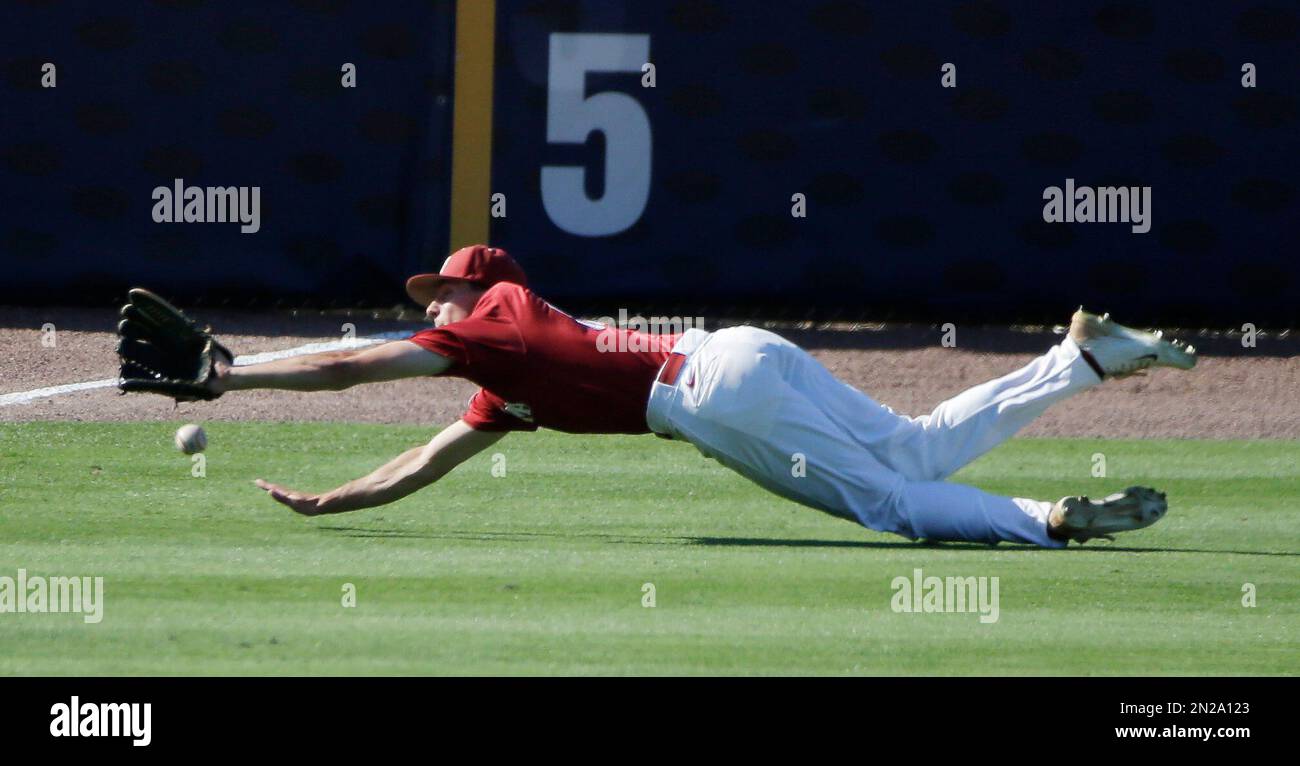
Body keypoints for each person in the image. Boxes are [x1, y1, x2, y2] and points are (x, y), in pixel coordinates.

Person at [218, 245, 1196, 546]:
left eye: (447, 290)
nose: (442, 303)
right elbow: (425, 457)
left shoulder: (498, 318)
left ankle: (1049, 519)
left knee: (891, 504)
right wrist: (333, 497)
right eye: (436, 297)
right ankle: (1082, 359)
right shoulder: (503, 376)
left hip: (706, 399)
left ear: (485, 285)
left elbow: (345, 364)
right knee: (915, 448)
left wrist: (232, 375)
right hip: (735, 352)